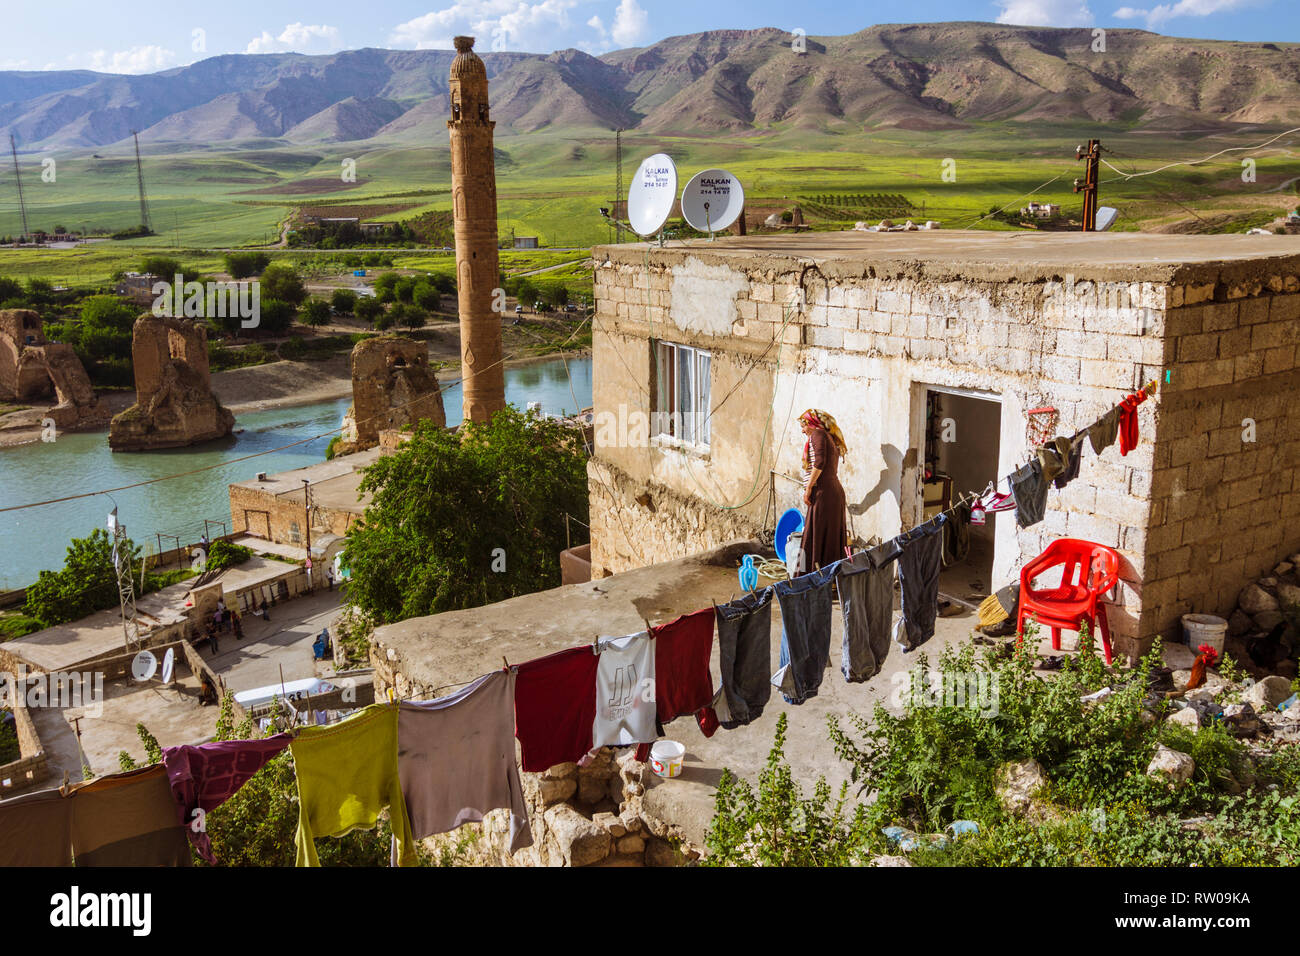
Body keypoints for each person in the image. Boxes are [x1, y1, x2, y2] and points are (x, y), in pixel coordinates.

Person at [797, 408, 848, 574]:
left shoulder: (817, 435)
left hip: (824, 493)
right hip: (832, 494)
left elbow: (819, 462)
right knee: (829, 538)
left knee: (815, 536)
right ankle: (828, 577)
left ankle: (812, 577)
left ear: (811, 424)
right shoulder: (829, 438)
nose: (803, 430)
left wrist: (809, 488)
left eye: (803, 426)